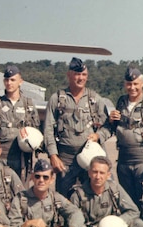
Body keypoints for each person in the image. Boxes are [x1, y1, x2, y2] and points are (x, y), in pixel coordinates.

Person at [43, 57, 110, 197]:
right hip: (65, 159)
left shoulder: (95, 99)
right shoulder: (57, 99)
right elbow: (48, 128)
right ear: (69, 74)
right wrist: (53, 155)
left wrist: (98, 136)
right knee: (63, 198)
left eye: (84, 74)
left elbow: (108, 127)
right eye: (77, 74)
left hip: (89, 158)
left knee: (91, 196)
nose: (80, 78)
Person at [104, 65, 143, 210]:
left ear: (142, 84)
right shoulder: (121, 102)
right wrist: (111, 121)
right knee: (127, 203)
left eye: (135, 84)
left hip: (142, 160)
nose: (132, 87)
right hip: (124, 159)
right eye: (129, 84)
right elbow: (114, 128)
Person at [0, 64, 41, 179]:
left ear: (20, 82)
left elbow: (37, 131)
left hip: (22, 158)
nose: (9, 83)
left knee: (20, 192)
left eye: (12, 80)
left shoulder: (28, 105)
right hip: (0, 157)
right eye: (6, 80)